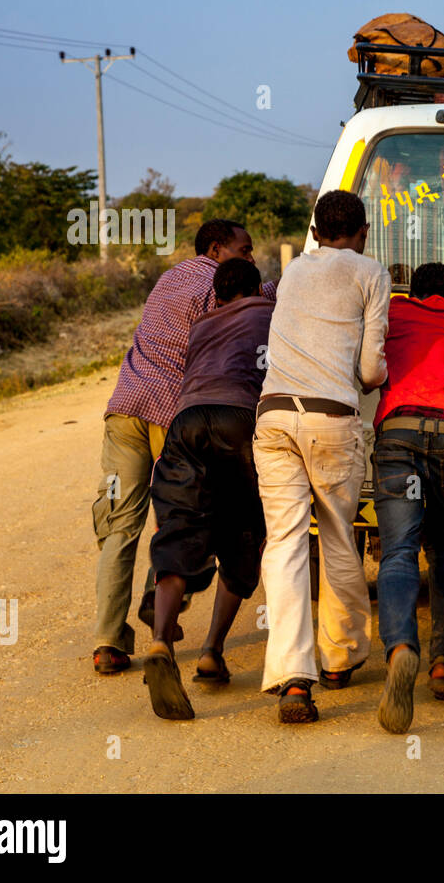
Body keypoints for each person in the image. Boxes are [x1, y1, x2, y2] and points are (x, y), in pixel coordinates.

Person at [91, 219, 274, 675]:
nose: (250, 258)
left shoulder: (168, 278)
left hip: (124, 408)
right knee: (184, 513)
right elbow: (251, 303)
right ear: (217, 249)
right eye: (245, 249)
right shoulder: (215, 287)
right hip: (172, 412)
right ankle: (162, 601)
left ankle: (109, 642)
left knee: (118, 525)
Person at [254, 190, 390, 724]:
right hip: (332, 420)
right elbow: (373, 369)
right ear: (362, 233)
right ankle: (340, 656)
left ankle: (294, 680)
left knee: (285, 544)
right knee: (337, 533)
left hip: (273, 417)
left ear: (313, 233)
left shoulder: (292, 274)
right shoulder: (370, 272)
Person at [141, 259, 274, 720]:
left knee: (178, 533)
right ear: (257, 287)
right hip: (239, 421)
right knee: (242, 536)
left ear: (216, 295)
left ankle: (160, 641)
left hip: (186, 422)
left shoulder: (202, 323)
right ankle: (211, 652)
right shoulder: (268, 310)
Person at [372, 261, 444, 734]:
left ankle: (401, 648)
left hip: (399, 429)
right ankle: (443, 664)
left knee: (399, 550)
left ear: (412, 291)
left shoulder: (395, 310)